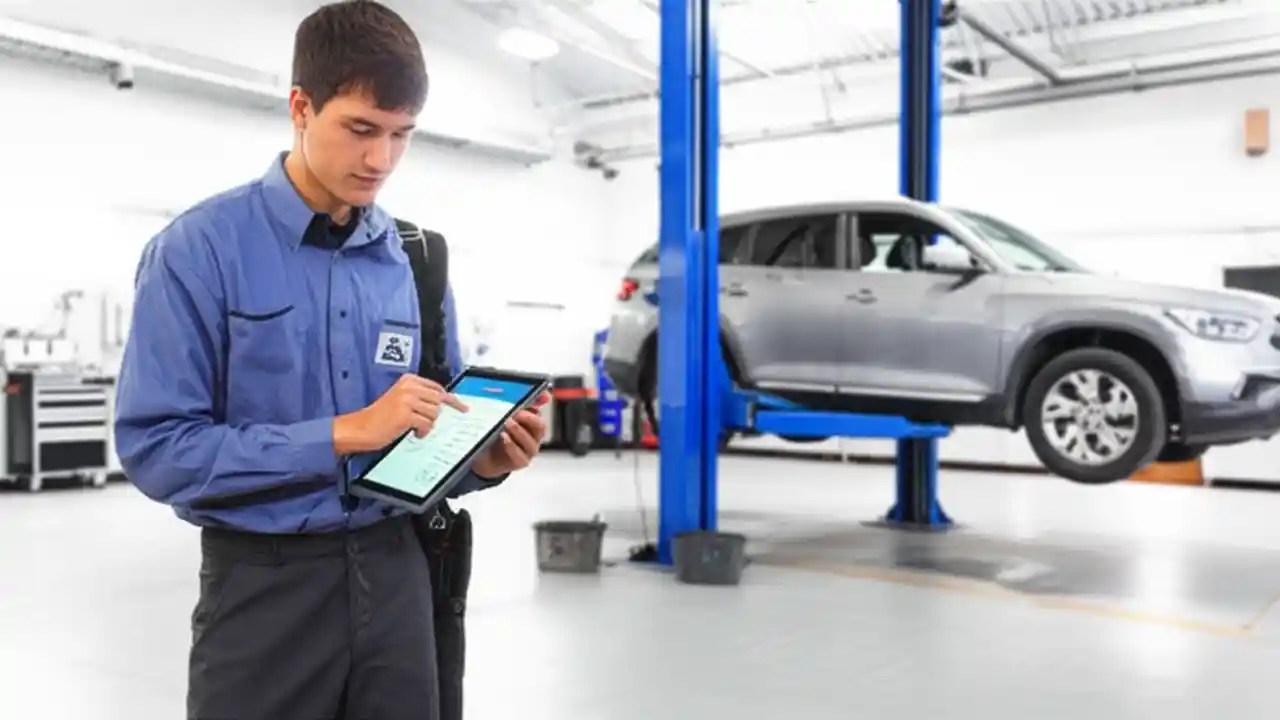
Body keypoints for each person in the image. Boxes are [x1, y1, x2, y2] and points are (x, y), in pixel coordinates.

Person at [112, 2, 547, 719]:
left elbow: (433, 435)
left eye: (401, 135)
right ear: (301, 108)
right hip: (263, 589)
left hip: (398, 576)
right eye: (360, 129)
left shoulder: (415, 260)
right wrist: (344, 432)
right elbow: (159, 450)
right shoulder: (199, 252)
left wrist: (487, 460)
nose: (381, 160)